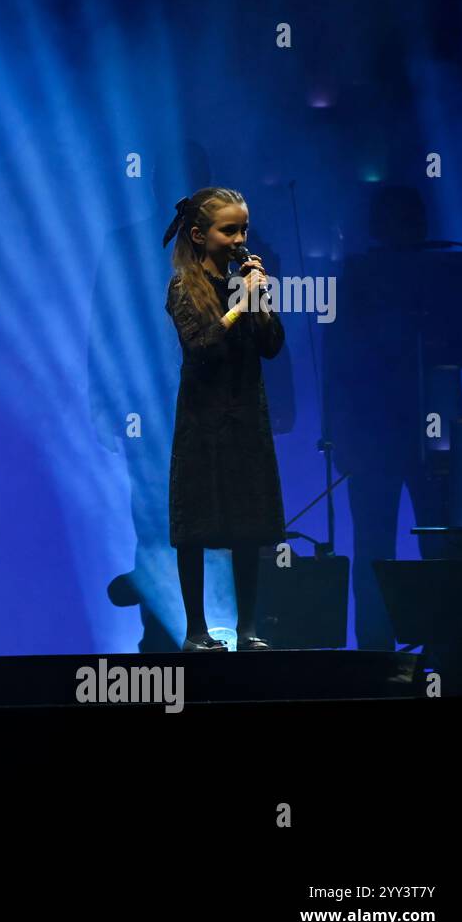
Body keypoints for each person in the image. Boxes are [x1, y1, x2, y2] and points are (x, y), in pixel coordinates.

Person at [161, 188, 285, 651]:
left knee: (247, 524)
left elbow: (272, 346)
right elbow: (203, 346)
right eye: (229, 230)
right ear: (200, 235)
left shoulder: (246, 286)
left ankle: (248, 628)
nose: (240, 239)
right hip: (203, 420)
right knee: (196, 522)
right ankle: (196, 630)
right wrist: (239, 305)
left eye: (243, 229)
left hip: (246, 418)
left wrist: (260, 300)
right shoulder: (183, 287)